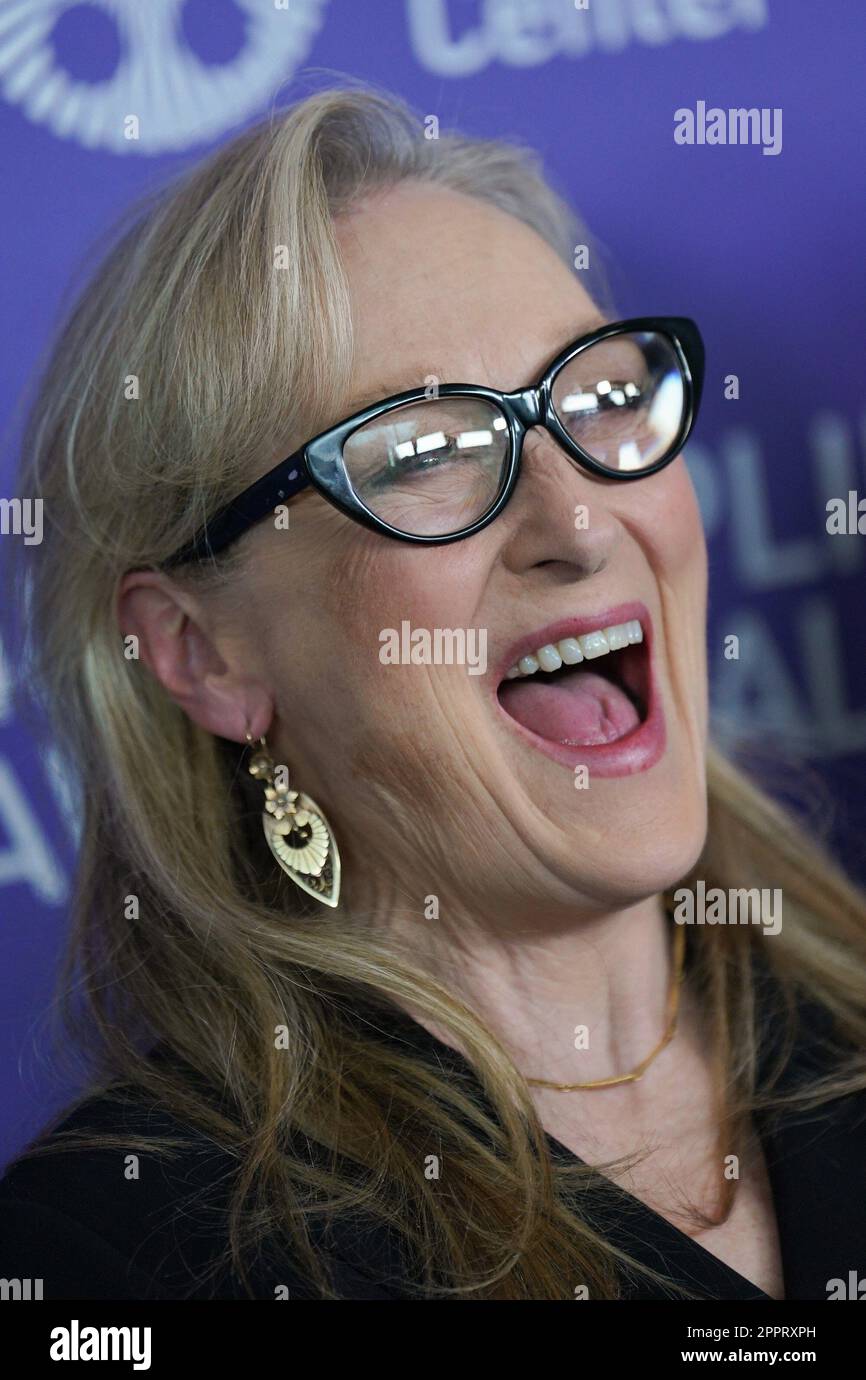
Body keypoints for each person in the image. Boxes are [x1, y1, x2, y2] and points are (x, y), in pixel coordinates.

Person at [2, 84, 865, 1302]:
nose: (575, 518)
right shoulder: (110, 1261)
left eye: (594, 398)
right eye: (423, 452)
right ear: (200, 654)